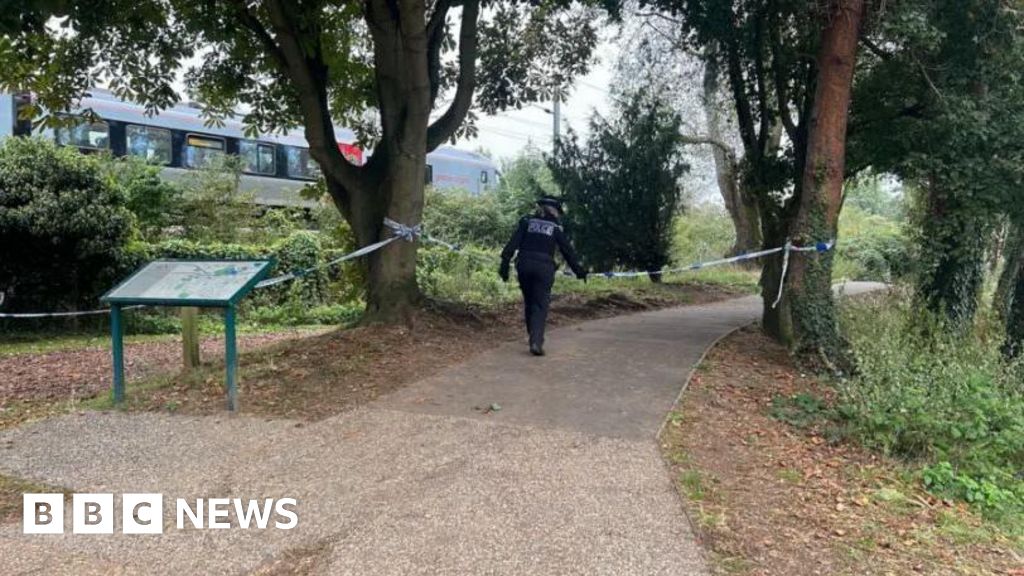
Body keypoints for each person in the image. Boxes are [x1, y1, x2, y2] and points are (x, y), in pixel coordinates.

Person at [499, 196, 587, 356]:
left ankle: (532, 336)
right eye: (558, 212)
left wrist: (504, 264)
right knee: (540, 305)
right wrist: (579, 270)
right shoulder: (555, 227)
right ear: (553, 210)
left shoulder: (526, 222)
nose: (559, 215)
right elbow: (567, 251)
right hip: (544, 267)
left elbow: (512, 243)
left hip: (524, 265)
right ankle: (536, 342)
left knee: (529, 301)